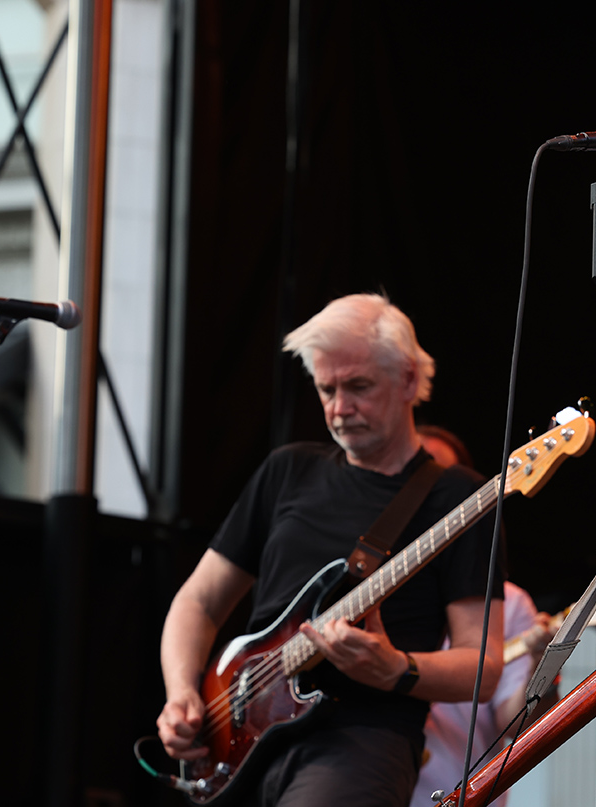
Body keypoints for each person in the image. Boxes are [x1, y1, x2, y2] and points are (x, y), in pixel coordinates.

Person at [155, 293, 506, 807]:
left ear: (409, 378)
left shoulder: (460, 498)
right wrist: (182, 692)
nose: (339, 409)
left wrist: (399, 668)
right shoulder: (287, 470)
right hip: (237, 744)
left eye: (358, 387)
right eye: (326, 389)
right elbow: (199, 602)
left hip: (363, 741)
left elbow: (484, 665)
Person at [412, 426, 557, 807]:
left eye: (442, 485)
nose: (425, 496)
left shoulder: (509, 603)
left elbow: (513, 722)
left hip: (461, 796)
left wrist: (543, 665)